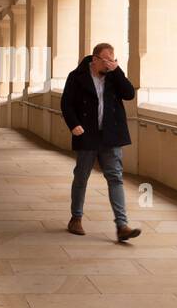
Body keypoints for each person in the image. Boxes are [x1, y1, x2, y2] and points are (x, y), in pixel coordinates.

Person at [59, 42, 142, 243]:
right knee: (81, 177)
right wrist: (73, 124)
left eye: (113, 60)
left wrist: (118, 71)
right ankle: (76, 218)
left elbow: (129, 94)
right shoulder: (77, 76)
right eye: (106, 61)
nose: (109, 65)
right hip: (87, 134)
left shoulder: (114, 76)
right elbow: (66, 103)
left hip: (111, 135)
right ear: (95, 59)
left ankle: (122, 225)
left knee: (115, 178)